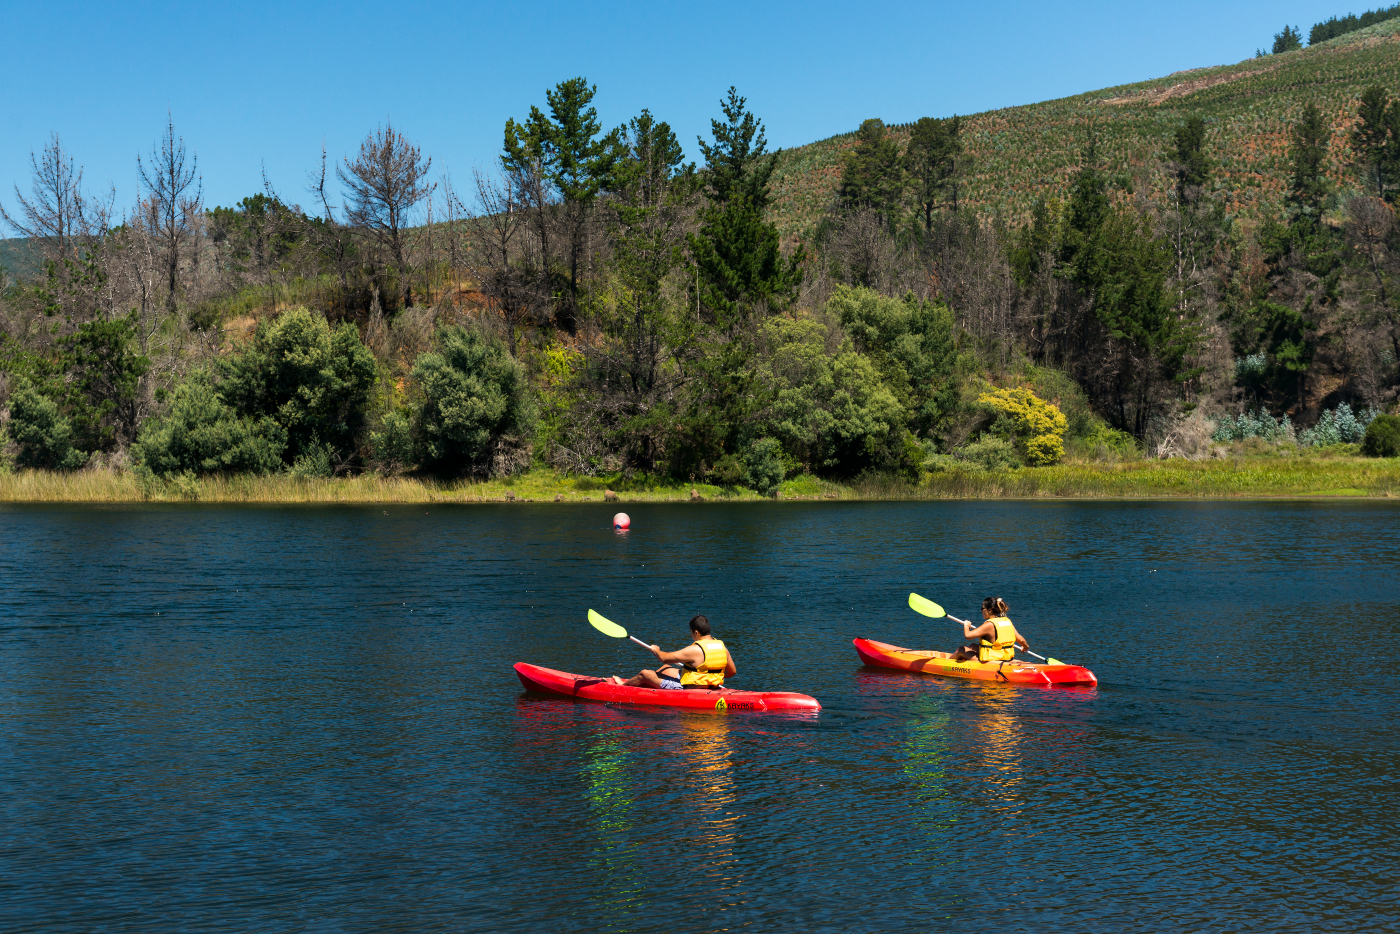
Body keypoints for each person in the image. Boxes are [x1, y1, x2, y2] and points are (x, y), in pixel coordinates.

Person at [611, 615, 736, 689]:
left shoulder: (694, 649)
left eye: (691, 632)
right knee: (665, 669)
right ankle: (649, 685)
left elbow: (664, 658)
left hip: (689, 689)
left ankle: (622, 686)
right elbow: (732, 672)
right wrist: (710, 678)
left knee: (644, 674)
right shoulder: (723, 648)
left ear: (696, 632)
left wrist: (656, 650)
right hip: (712, 686)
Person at [950, 597, 1030, 663]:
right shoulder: (1007, 621)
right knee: (972, 646)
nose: (981, 611)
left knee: (961, 650)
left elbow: (968, 636)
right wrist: (1025, 647)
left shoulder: (989, 624)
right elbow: (1021, 640)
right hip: (1006, 657)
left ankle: (945, 665)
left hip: (993, 660)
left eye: (982, 608)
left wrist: (966, 626)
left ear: (989, 610)